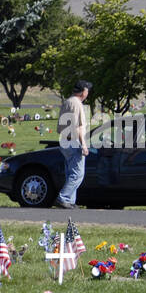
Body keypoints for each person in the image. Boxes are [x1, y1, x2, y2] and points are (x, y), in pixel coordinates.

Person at [56, 80, 92, 209]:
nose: (88, 92)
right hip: (73, 140)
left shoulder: (67, 102)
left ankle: (70, 201)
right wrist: (83, 144)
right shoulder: (77, 104)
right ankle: (64, 198)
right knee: (77, 174)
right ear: (83, 91)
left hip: (64, 139)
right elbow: (78, 127)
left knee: (70, 172)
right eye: (87, 90)